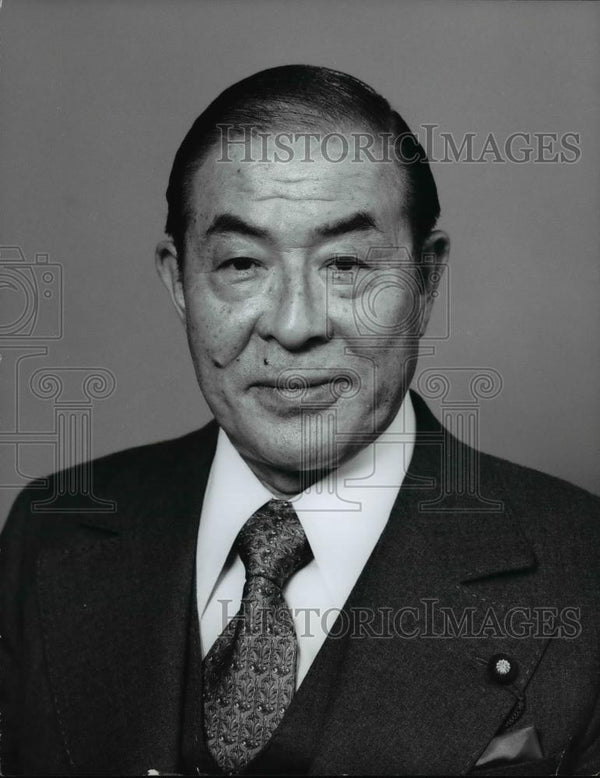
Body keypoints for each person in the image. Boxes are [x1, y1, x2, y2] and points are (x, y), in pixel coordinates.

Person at [1, 65, 599, 777]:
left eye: (345, 263)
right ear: (179, 282)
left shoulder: (583, 573)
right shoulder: (51, 533)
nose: (293, 326)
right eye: (243, 263)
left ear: (426, 279)